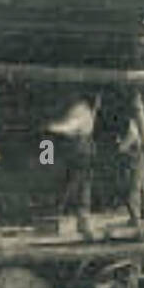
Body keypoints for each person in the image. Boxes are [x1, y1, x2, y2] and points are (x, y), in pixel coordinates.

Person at [46, 96, 98, 239]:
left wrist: (52, 127)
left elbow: (71, 126)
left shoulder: (81, 110)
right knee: (75, 182)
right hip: (77, 147)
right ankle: (72, 216)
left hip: (81, 148)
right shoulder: (77, 109)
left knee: (77, 182)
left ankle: (75, 217)